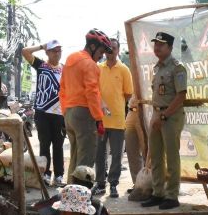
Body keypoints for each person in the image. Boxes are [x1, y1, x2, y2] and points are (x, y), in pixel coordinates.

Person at [59, 29, 113, 183]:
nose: (102, 55)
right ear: (93, 46)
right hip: (84, 113)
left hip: (69, 113)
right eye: (101, 51)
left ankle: (70, 194)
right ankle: (80, 200)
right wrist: (99, 119)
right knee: (85, 160)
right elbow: (92, 93)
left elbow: (62, 88)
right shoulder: (91, 65)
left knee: (75, 157)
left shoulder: (71, 58)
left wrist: (65, 111)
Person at [141, 31, 187, 210]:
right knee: (156, 156)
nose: (157, 47)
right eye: (155, 44)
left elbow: (181, 96)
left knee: (172, 157)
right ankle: (158, 193)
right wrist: (157, 116)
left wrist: (164, 116)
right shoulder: (158, 67)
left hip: (170, 116)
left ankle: (172, 195)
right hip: (157, 114)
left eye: (161, 44)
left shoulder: (177, 67)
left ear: (170, 47)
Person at [92, 38, 133, 198]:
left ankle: (114, 184)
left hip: (117, 119)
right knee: (99, 153)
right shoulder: (98, 68)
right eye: (108, 48)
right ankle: (100, 184)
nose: (110, 51)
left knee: (116, 154)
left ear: (118, 50)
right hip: (100, 118)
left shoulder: (124, 70)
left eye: (113, 48)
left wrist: (116, 103)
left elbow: (128, 93)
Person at [22, 39, 66, 186]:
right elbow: (25, 52)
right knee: (44, 144)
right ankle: (45, 173)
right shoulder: (41, 65)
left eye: (59, 50)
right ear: (47, 52)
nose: (57, 53)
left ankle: (59, 175)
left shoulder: (65, 69)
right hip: (42, 112)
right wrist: (41, 46)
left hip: (60, 114)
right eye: (54, 50)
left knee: (58, 145)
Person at [124, 94, 146, 194]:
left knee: (147, 149)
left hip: (145, 111)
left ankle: (149, 183)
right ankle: (138, 183)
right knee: (131, 150)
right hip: (131, 111)